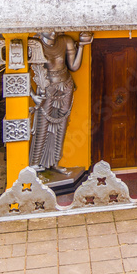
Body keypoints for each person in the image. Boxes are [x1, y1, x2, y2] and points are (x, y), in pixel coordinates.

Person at [29, 32, 92, 173]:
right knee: (42, 125)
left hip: (66, 85)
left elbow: (74, 67)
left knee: (63, 124)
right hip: (46, 88)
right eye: (49, 28)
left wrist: (81, 45)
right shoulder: (34, 45)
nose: (53, 31)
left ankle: (56, 161)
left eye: (55, 28)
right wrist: (33, 95)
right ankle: (35, 163)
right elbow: (22, 72)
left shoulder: (65, 41)